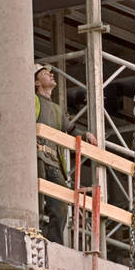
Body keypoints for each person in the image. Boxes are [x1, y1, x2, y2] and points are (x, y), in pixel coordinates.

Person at [35, 63, 97, 245]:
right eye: (46, 74)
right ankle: (34, 234)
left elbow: (71, 130)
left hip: (54, 163)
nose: (51, 76)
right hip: (37, 158)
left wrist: (85, 135)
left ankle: (54, 243)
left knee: (60, 207)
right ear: (37, 83)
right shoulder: (33, 100)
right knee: (35, 201)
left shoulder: (56, 109)